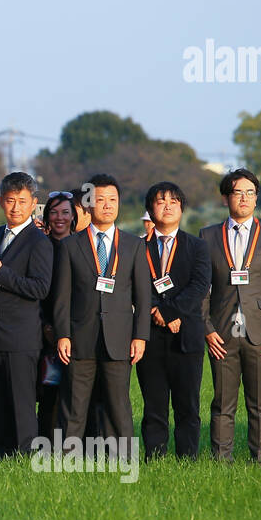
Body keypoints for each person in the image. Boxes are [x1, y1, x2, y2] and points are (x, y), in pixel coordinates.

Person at [53, 174, 152, 447]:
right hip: (79, 339)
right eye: (100, 200)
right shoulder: (70, 245)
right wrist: (63, 334)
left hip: (119, 339)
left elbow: (144, 298)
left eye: (113, 200)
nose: (107, 205)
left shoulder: (133, 245)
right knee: (73, 406)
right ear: (87, 204)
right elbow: (61, 297)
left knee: (118, 407)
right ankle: (66, 461)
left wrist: (140, 336)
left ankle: (120, 462)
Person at [199, 168, 261, 463]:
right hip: (221, 331)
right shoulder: (208, 235)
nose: (245, 198)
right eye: (238, 192)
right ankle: (221, 458)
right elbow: (203, 289)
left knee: (259, 401)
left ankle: (259, 459)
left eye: (251, 193)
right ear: (226, 197)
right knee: (223, 401)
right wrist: (207, 328)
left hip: (260, 331)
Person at [0, 172, 53, 457]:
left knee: (21, 403)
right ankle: (4, 453)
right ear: (0, 201)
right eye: (10, 201)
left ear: (34, 203)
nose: (16, 207)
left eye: (22, 201)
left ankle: (26, 456)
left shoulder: (39, 241)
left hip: (21, 337)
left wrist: (3, 274)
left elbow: (41, 288)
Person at [135, 181, 211, 459]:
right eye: (160, 201)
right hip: (149, 337)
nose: (167, 206)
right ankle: (154, 457)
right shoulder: (136, 247)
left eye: (173, 201)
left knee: (187, 405)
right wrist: (157, 312)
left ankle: (187, 459)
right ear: (149, 209)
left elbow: (199, 285)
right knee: (153, 404)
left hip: (187, 337)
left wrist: (171, 313)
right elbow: (136, 286)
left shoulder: (197, 247)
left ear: (182, 208)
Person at [37, 192, 75, 436]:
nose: (59, 218)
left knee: (76, 394)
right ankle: (46, 443)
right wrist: (46, 326)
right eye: (53, 212)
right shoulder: (41, 246)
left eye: (65, 212)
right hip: (44, 331)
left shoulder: (82, 245)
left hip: (77, 329)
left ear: (74, 216)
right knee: (48, 392)